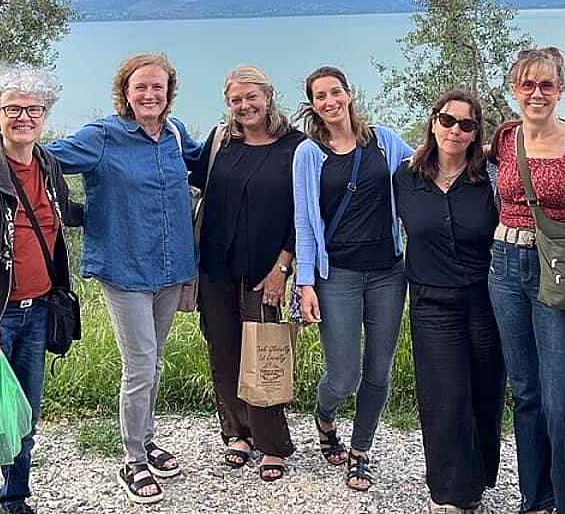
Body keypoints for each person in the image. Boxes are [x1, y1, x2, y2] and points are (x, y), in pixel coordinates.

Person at [44, 52, 200, 505]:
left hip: (171, 266)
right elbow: (43, 160)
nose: (150, 94)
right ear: (125, 93)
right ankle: (132, 458)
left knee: (153, 361)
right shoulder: (102, 136)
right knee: (141, 364)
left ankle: (146, 440)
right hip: (124, 267)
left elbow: (212, 161)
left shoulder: (175, 134)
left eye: (158, 87)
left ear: (169, 92)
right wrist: (73, 212)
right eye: (141, 87)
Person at [487, 46, 565, 514]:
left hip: (558, 269)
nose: (536, 94)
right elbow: (475, 171)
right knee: (525, 393)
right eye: (527, 84)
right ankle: (534, 499)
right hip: (504, 266)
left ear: (560, 90)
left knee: (558, 398)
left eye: (546, 85)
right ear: (514, 89)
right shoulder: (505, 137)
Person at [0, 64, 84, 514]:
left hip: (39, 310)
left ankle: (15, 500)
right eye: (13, 109)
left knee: (24, 415)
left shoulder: (48, 164)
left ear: (45, 115)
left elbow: (65, 213)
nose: (23, 117)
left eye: (33, 109)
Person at [292, 65, 412, 492]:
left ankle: (361, 451)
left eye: (335, 92)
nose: (330, 101)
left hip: (388, 273)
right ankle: (324, 416)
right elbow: (304, 222)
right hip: (337, 275)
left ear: (349, 94)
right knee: (344, 377)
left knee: (379, 370)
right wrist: (305, 282)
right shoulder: (309, 154)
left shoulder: (384, 141)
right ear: (313, 105)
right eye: (320, 96)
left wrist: (485, 152)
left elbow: (427, 165)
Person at [189, 64, 305, 482]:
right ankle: (238, 433)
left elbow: (305, 213)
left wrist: (283, 267)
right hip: (215, 267)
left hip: (265, 271)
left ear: (268, 97)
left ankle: (272, 444)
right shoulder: (221, 141)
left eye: (251, 97)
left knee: (265, 353)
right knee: (223, 352)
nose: (244, 106)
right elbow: (188, 180)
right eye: (235, 100)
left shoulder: (297, 147)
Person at [393, 91, 504, 514]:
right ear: (433, 122)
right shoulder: (405, 178)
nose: (455, 130)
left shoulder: (490, 179)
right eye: (447, 120)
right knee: (444, 395)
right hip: (431, 301)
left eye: (466, 124)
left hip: (484, 299)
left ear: (476, 133)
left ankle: (476, 481)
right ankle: (447, 492)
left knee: (485, 391)